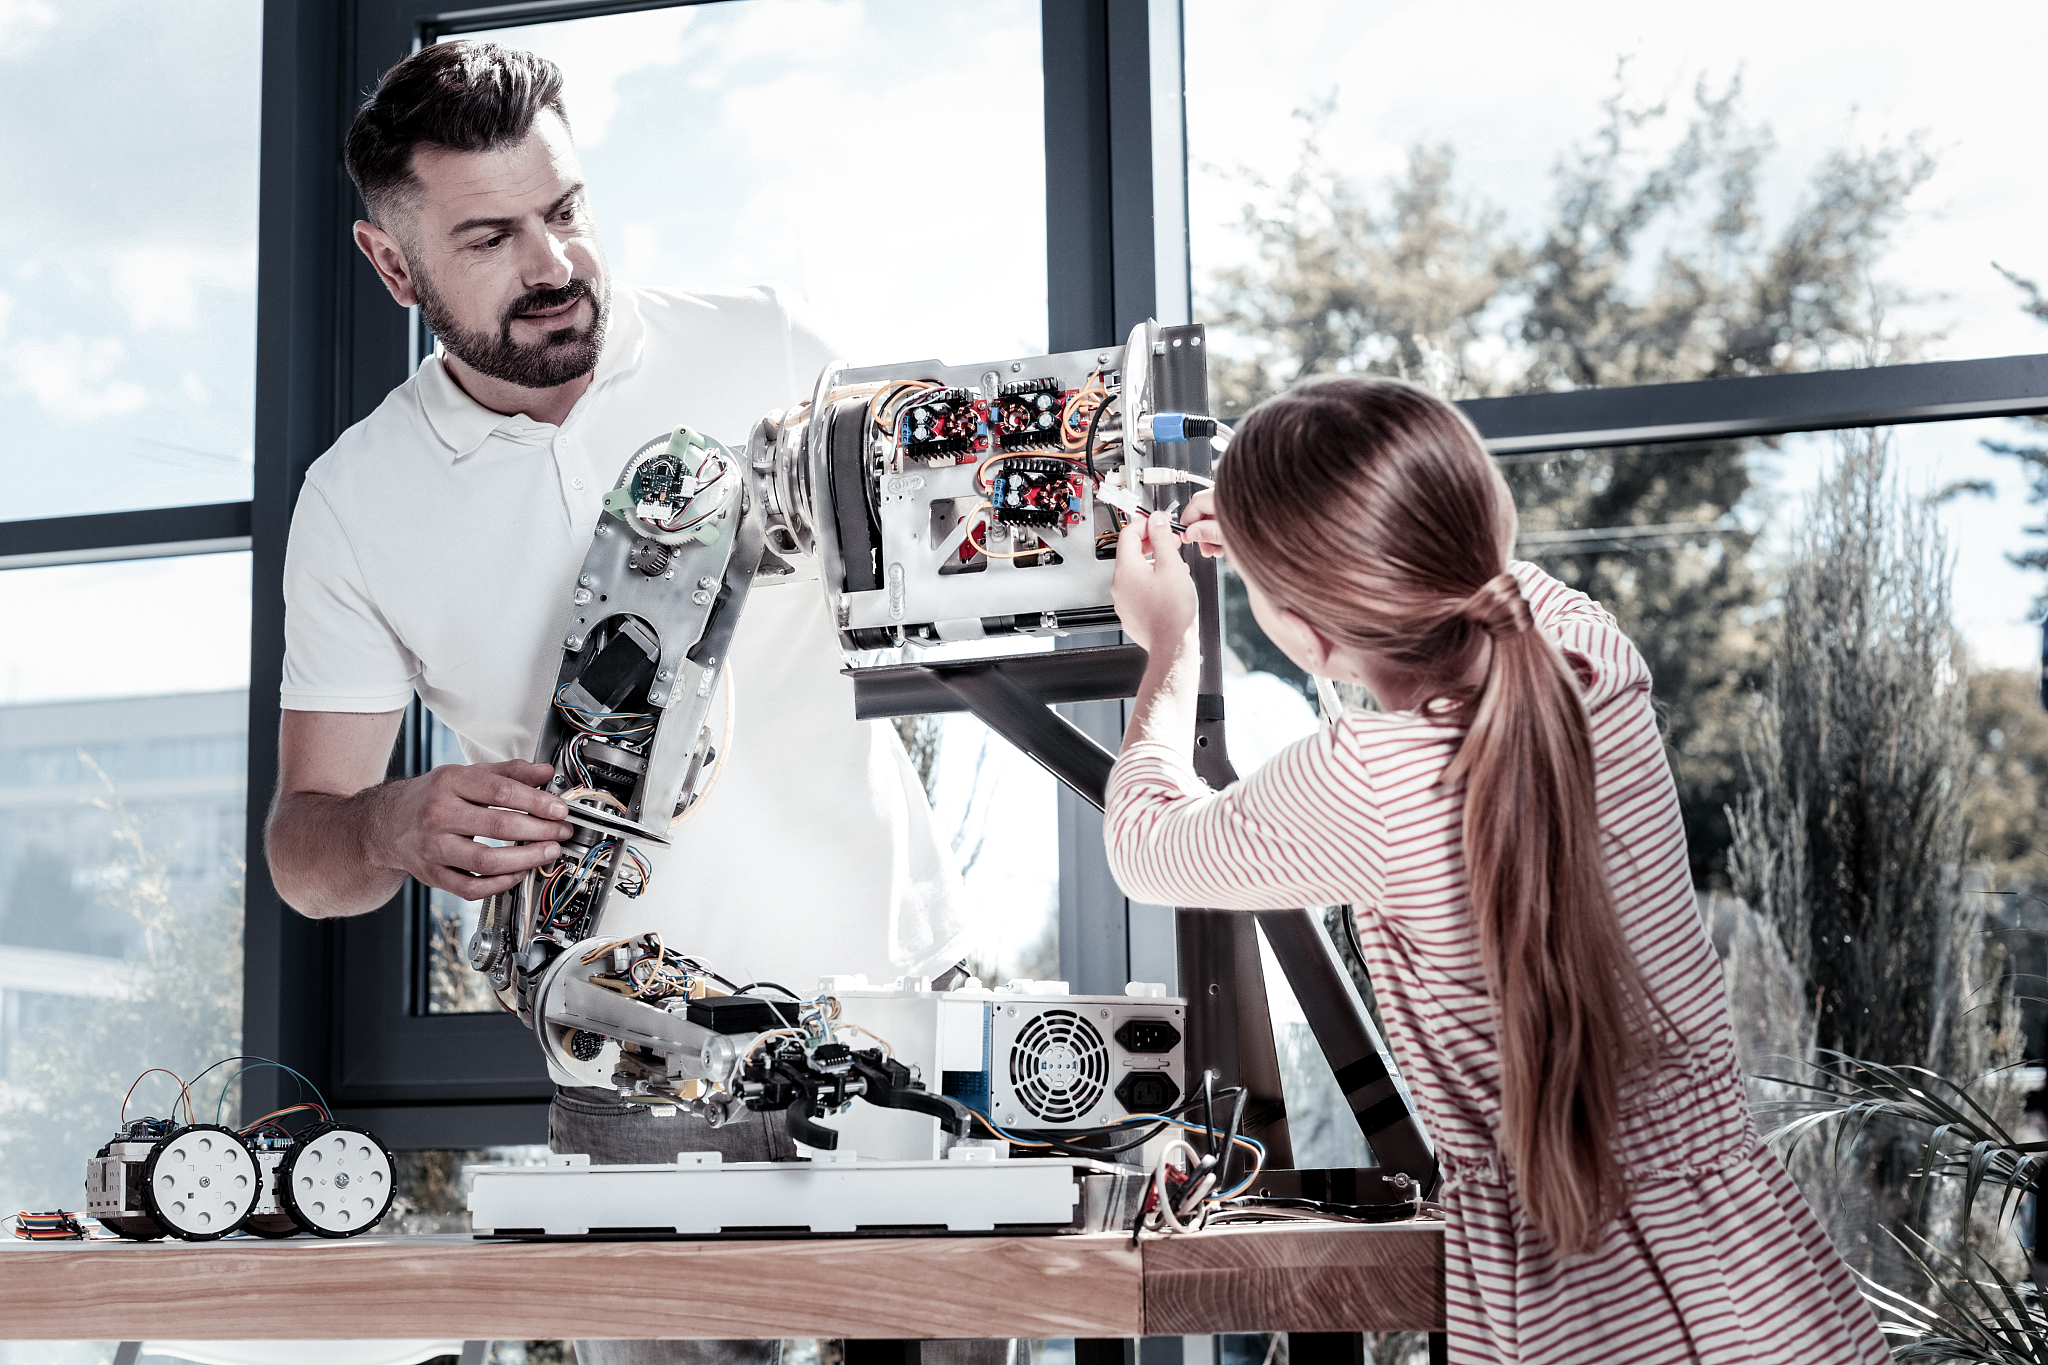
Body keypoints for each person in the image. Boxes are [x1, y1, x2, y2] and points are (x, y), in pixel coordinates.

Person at [267, 41, 972, 1365]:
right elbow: (308, 852)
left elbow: (964, 564)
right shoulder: (356, 504)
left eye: (567, 210)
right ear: (392, 266)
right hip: (628, 1066)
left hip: (892, 1011)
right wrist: (392, 826)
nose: (553, 263)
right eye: (488, 236)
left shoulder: (767, 345)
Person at [1102, 376, 1888, 1364]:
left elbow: (1145, 841)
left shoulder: (1371, 782)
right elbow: (1473, 564)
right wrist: (1299, 534)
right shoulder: (1593, 660)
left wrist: (1167, 641)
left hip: (1579, 1309)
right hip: (1756, 1280)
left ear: (1307, 632)